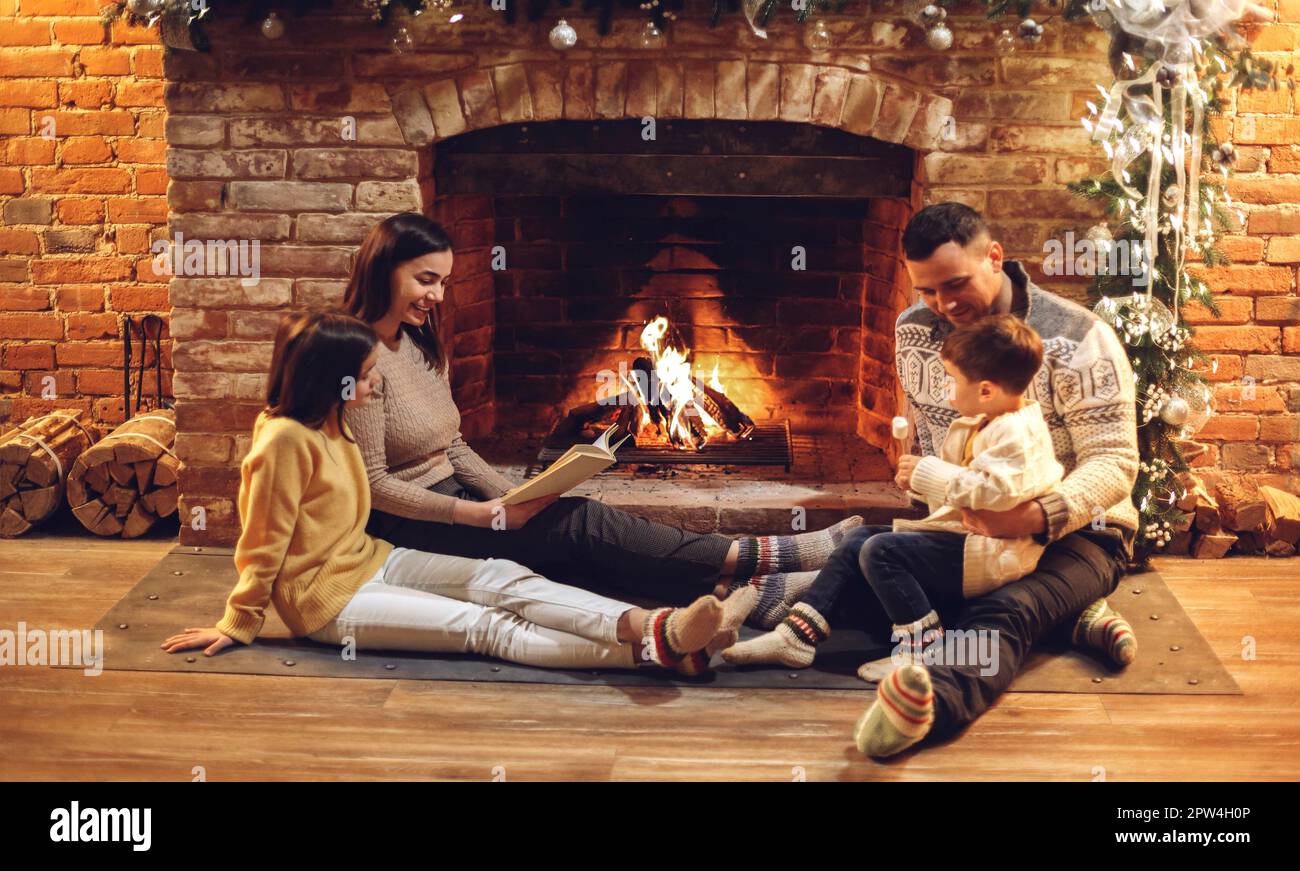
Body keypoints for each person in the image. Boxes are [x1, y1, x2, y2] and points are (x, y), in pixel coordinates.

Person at [160, 311, 756, 675]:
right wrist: (238, 621)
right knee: (485, 625)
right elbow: (261, 544)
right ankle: (657, 641)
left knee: (502, 579)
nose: (376, 383)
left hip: (374, 561)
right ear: (330, 377)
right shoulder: (284, 440)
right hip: (325, 602)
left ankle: (659, 627)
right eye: (368, 374)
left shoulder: (331, 421)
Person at [339, 212, 861, 621]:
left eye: (446, 283)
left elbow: (451, 445)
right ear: (385, 269)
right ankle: (761, 557)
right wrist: (482, 514)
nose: (437, 297)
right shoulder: (355, 356)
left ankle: (752, 593)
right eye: (426, 280)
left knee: (570, 538)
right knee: (582, 523)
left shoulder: (420, 343)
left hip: (462, 496)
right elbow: (374, 484)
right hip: (414, 519)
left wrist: (512, 497)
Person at [778, 202, 1138, 758]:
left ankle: (927, 708)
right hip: (968, 529)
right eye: (926, 291)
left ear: (994, 257)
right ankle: (1073, 615)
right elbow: (932, 444)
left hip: (1079, 532)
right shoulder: (915, 331)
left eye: (955, 284)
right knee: (865, 557)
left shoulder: (1080, 337)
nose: (943, 305)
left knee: (1007, 612)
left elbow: (1115, 462)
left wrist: (1034, 517)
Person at [725, 314, 1137, 680]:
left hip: (995, 551)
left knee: (882, 552)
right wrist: (923, 478)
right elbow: (968, 480)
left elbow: (993, 491)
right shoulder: (990, 419)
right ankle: (796, 636)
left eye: (953, 380)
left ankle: (921, 651)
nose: (945, 389)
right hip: (973, 536)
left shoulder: (1017, 434)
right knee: (859, 540)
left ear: (988, 390)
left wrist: (927, 473)